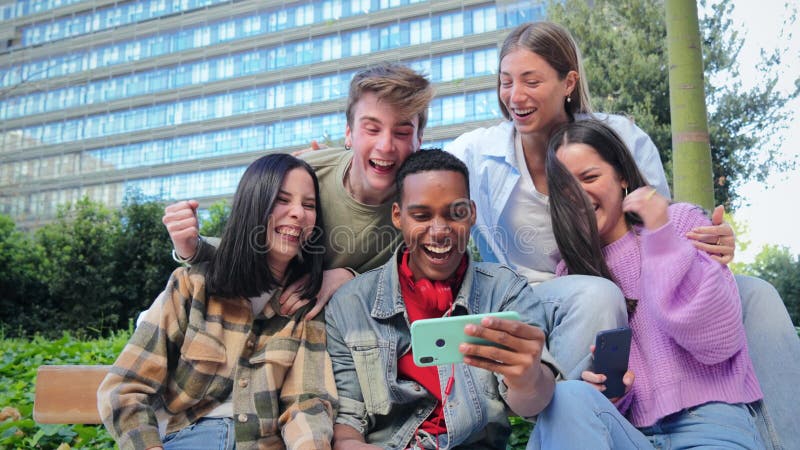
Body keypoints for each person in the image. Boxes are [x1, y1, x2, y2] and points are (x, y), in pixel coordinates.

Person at [445, 21, 797, 447]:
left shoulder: (624, 142)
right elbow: (416, 176)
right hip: (544, 299)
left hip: (704, 417)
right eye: (506, 82)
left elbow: (664, 254)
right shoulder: (479, 151)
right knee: (584, 355)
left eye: (531, 80)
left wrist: (676, 236)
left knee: (754, 293)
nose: (515, 95)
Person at [543, 119, 764, 448]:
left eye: (590, 177)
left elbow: (718, 341)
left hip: (710, 423)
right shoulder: (571, 274)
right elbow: (602, 399)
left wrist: (660, 234)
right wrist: (614, 394)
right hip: (631, 435)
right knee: (569, 396)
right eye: (565, 189)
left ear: (621, 177)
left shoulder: (681, 223)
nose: (578, 195)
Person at [98, 154, 337, 450]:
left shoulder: (305, 308)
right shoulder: (192, 285)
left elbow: (307, 404)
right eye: (282, 199)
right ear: (253, 205)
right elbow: (125, 388)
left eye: (309, 205)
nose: (298, 213)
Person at [162, 63, 433, 320]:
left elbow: (426, 286)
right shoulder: (306, 174)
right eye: (372, 128)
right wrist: (192, 248)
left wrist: (352, 279)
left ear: (419, 140)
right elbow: (245, 247)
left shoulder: (425, 208)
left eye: (401, 132)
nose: (385, 146)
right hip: (264, 314)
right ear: (349, 134)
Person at [325, 149, 557, 449]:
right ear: (398, 216)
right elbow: (348, 423)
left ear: (472, 213)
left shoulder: (505, 291)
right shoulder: (350, 304)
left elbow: (532, 405)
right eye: (421, 216)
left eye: (455, 214)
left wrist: (528, 378)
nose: (439, 231)